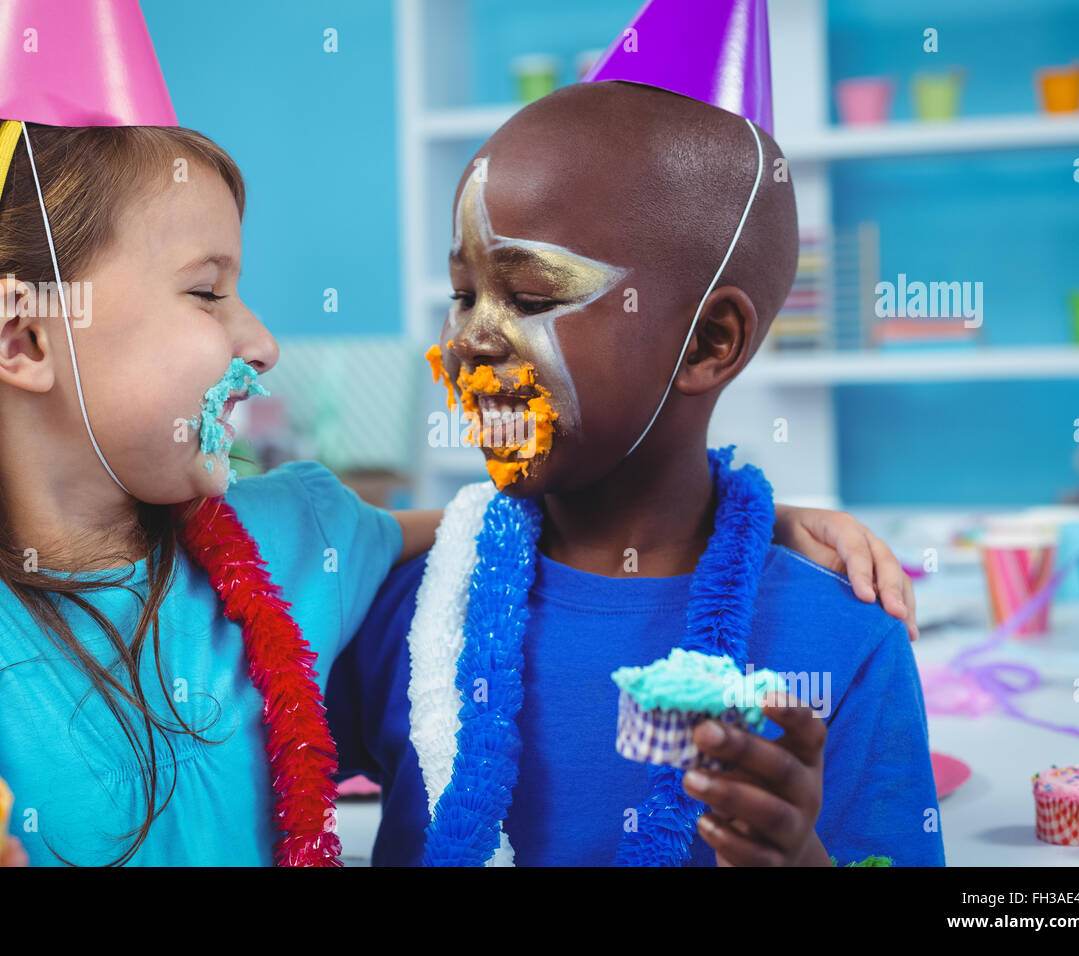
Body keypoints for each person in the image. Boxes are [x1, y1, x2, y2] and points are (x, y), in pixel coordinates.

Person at [0, 0, 916, 867]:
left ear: (709, 340)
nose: (261, 339)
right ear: (25, 340)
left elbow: (505, 525)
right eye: (206, 293)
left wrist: (764, 518)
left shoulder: (297, 540)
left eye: (529, 294)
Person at [324, 0, 944, 866]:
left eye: (532, 298)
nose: (466, 339)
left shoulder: (844, 640)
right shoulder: (410, 606)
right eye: (464, 294)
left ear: (708, 341)